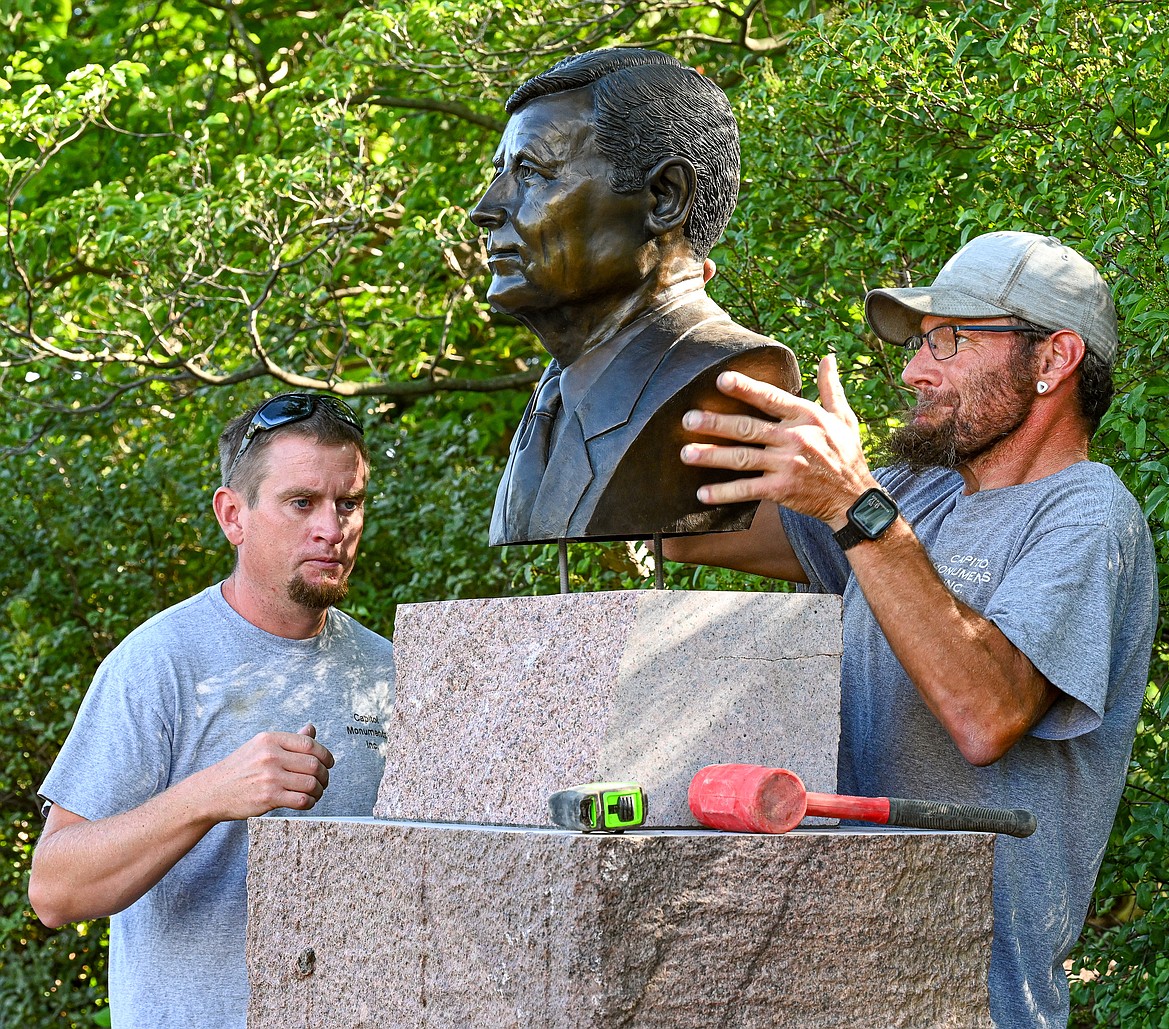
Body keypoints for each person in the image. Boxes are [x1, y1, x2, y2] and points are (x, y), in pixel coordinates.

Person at [664, 231, 1158, 1028]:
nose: (914, 370)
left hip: (972, 1000)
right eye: (920, 342)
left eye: (948, 340)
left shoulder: (1088, 514)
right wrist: (660, 314)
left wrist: (853, 502)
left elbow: (985, 713)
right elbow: (680, 528)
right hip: (842, 978)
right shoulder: (914, 495)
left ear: (1054, 358)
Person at [28, 392, 395, 1029]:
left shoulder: (389, 671)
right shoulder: (160, 663)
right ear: (233, 515)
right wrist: (209, 795)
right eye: (301, 502)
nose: (332, 529)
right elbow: (55, 891)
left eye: (348, 503)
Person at [470, 47, 800, 545]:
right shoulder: (556, 392)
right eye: (500, 173)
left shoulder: (724, 375)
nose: (486, 208)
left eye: (531, 173)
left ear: (664, 197)